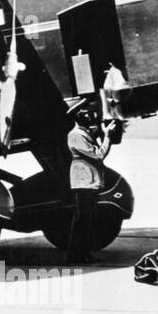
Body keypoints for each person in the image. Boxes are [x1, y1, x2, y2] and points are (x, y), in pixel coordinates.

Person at [66, 101, 112, 264]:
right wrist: (108, 136)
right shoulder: (76, 135)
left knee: (86, 220)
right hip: (84, 182)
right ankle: (77, 254)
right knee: (83, 220)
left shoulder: (82, 134)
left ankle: (82, 254)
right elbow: (98, 155)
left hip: (88, 181)